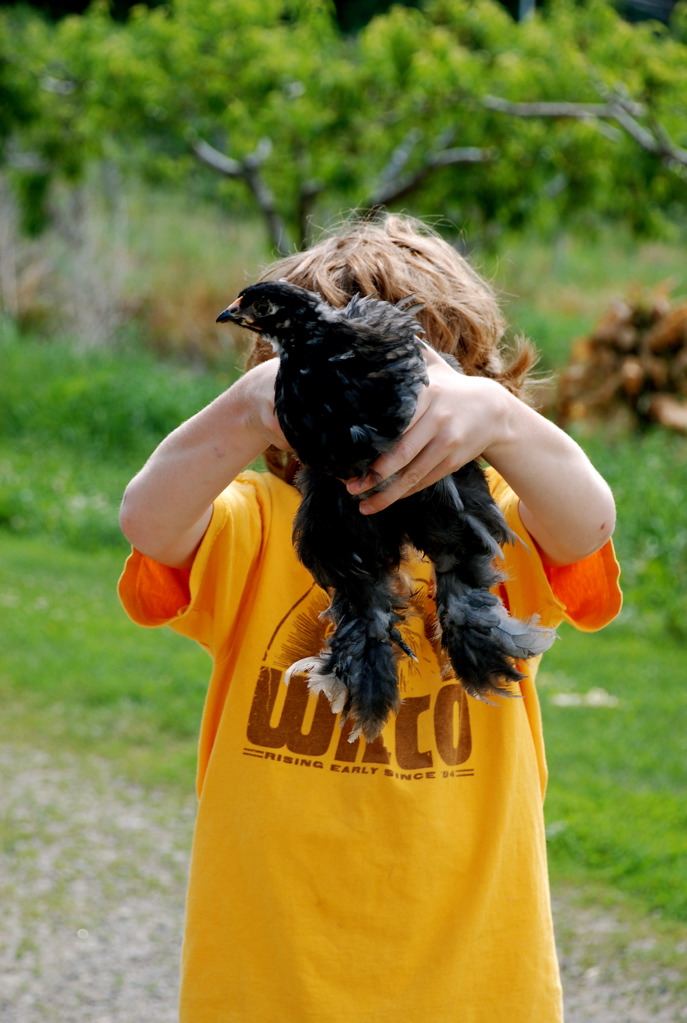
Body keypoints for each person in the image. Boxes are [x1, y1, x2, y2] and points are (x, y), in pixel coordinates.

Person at [118, 213, 621, 1023]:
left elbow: (588, 523)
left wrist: (497, 419)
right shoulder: (255, 521)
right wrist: (250, 407)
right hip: (268, 984)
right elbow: (147, 522)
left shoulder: (498, 523)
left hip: (472, 984)